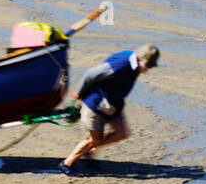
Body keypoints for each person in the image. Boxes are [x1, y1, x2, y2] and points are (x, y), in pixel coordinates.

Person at [59, 44, 160, 176]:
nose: (150, 68)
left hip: (113, 105)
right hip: (95, 105)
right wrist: (79, 93)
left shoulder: (132, 59)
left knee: (122, 133)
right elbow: (91, 74)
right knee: (94, 139)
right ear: (140, 59)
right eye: (149, 65)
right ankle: (67, 163)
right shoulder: (120, 65)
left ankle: (90, 149)